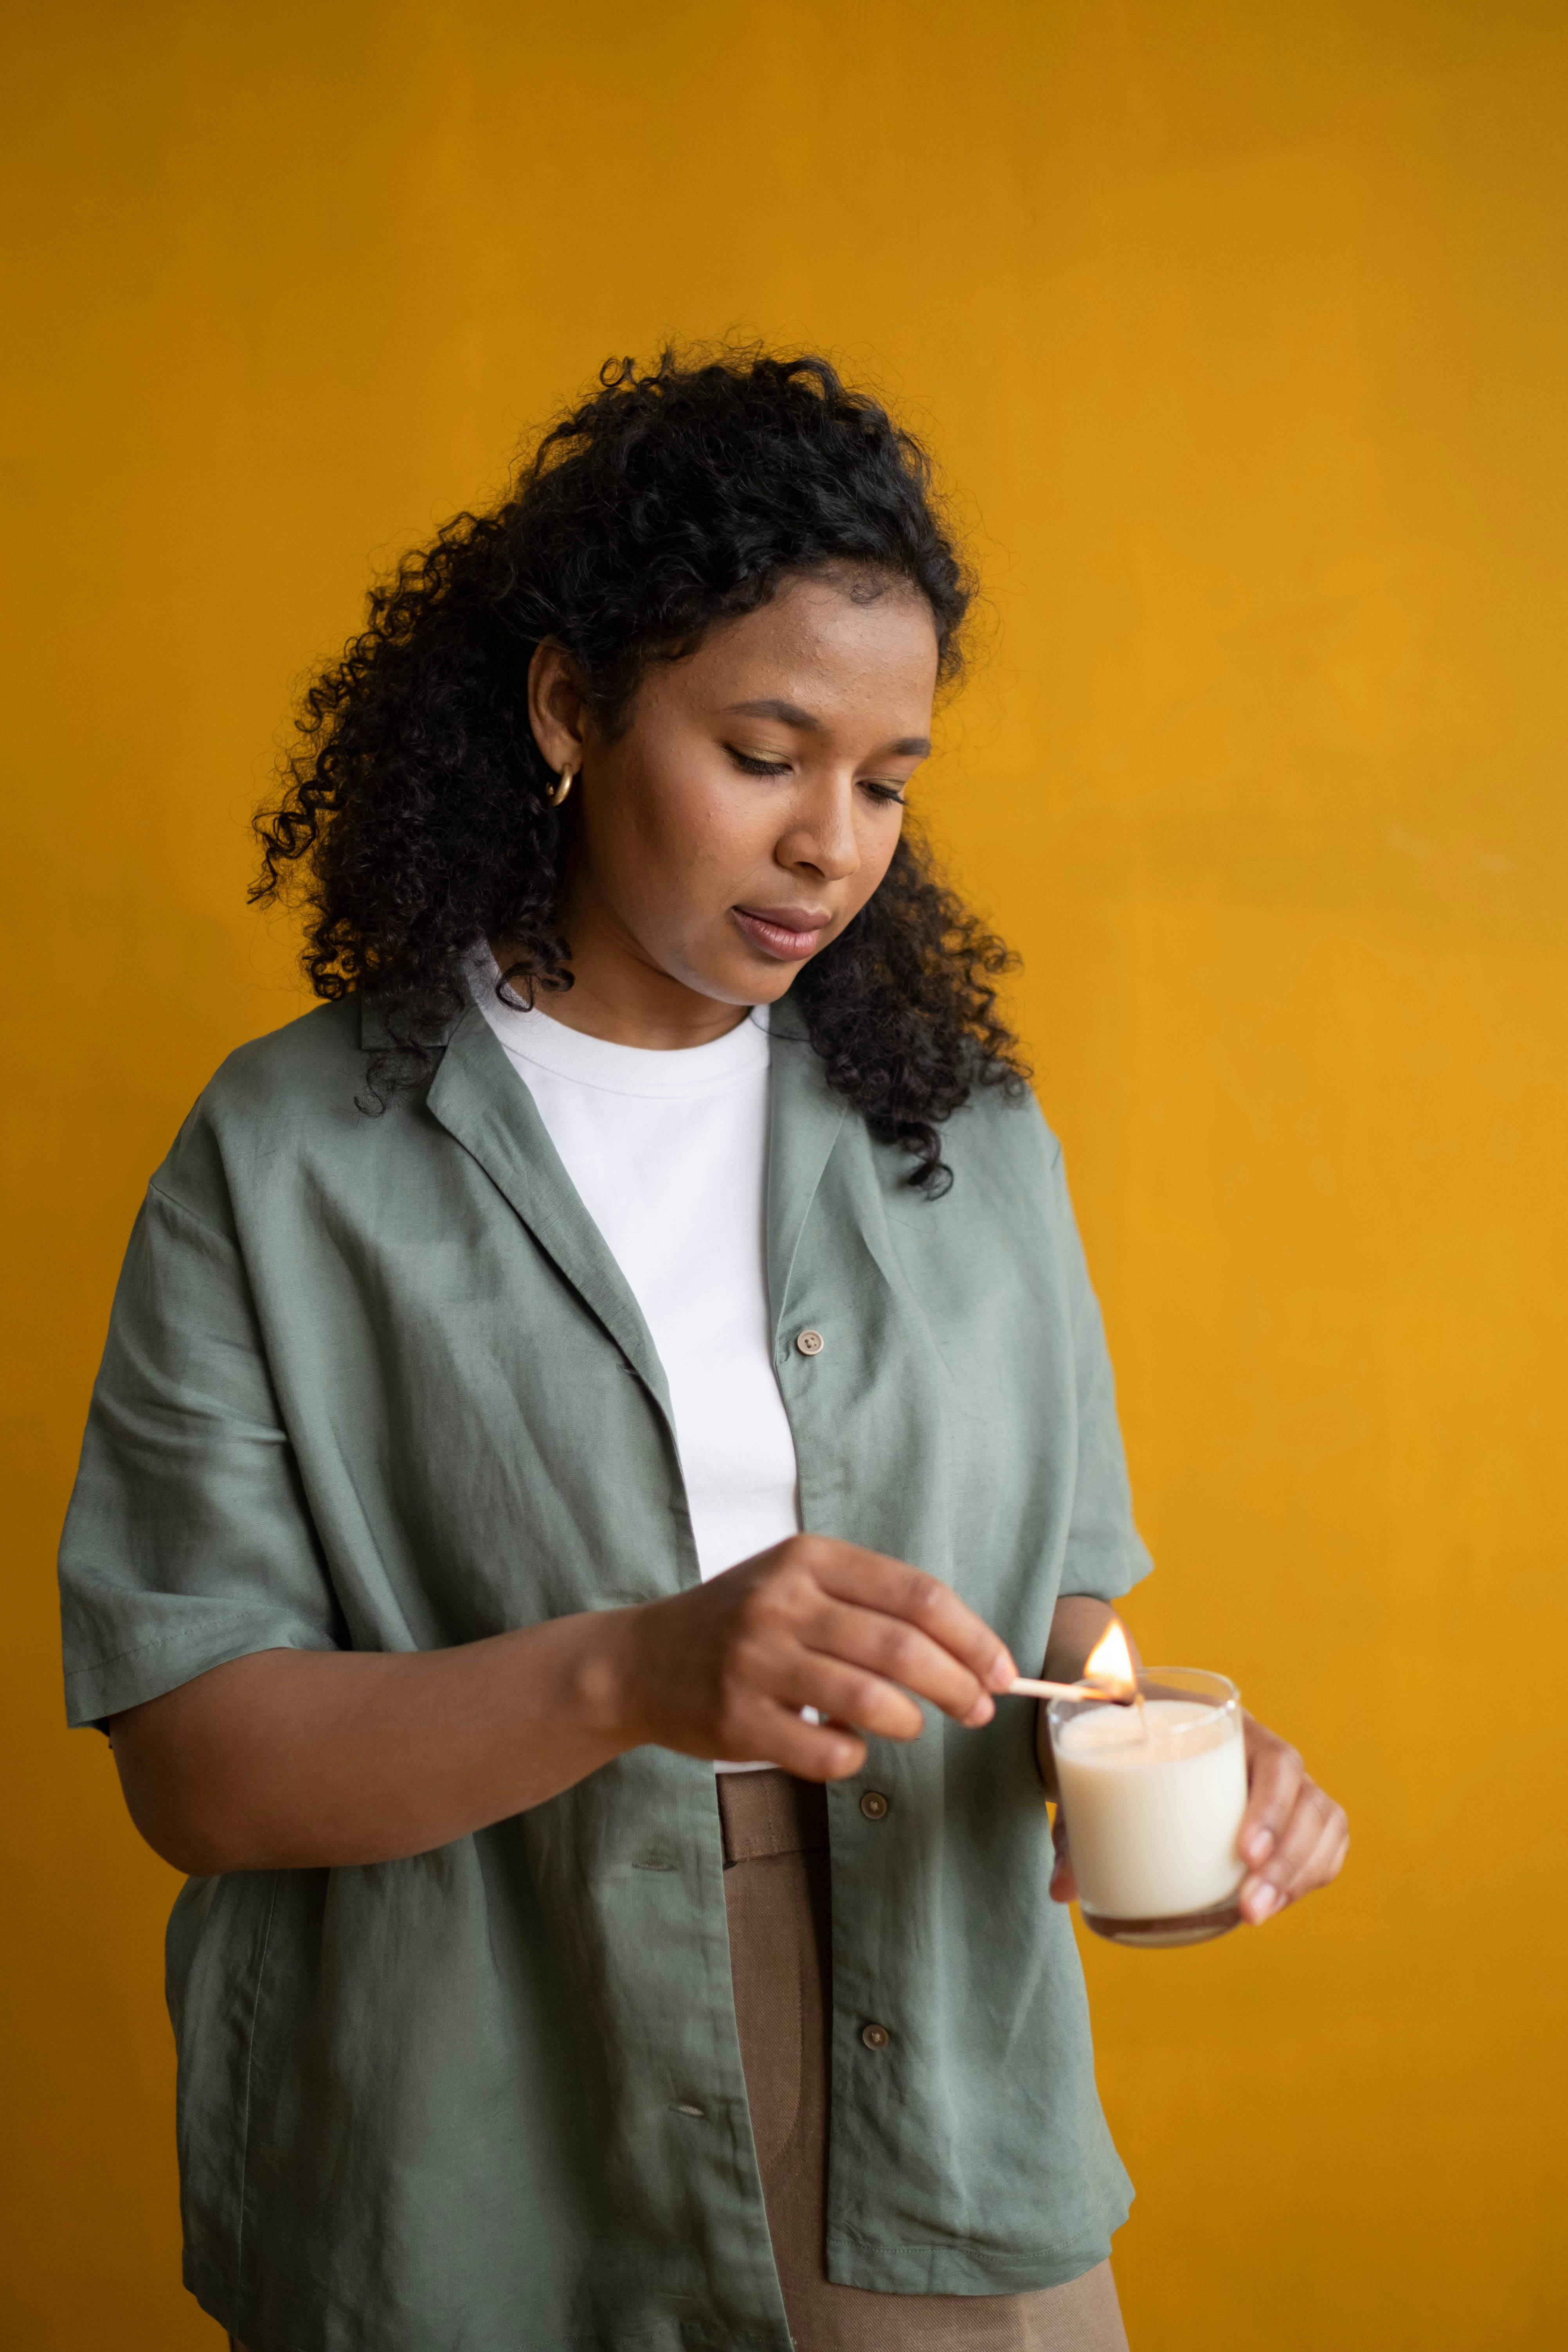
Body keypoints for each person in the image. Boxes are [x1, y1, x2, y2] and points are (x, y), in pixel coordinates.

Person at [59, 350, 1348, 2352]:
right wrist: (637, 1671)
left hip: (939, 2107)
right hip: (464, 2132)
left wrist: (1181, 1761)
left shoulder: (967, 1135)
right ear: (572, 710)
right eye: (766, 752)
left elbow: (1061, 1611)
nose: (835, 843)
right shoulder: (288, 1152)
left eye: (890, 781)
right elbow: (195, 1768)